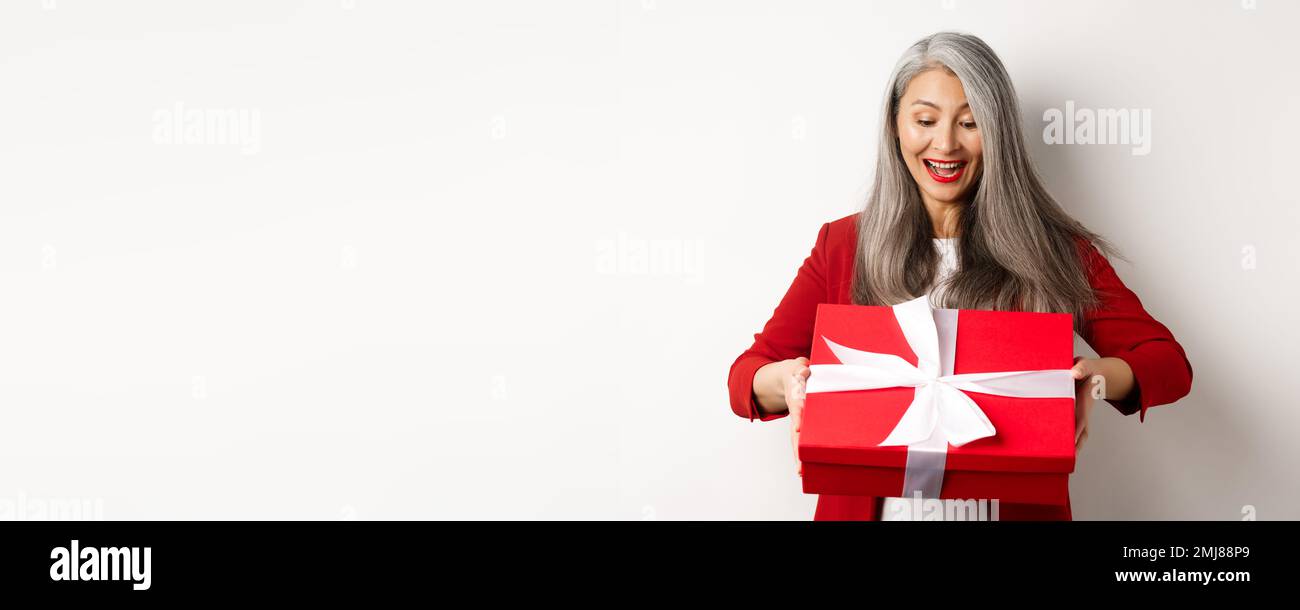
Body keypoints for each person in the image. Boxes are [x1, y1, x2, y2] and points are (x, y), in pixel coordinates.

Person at [726, 32, 1193, 521]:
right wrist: (789, 382)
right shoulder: (843, 245)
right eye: (925, 120)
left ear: (999, 132)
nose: (945, 143)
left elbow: (1166, 364)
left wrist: (1089, 380)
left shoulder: (1055, 251)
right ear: (895, 127)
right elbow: (746, 376)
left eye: (970, 123)